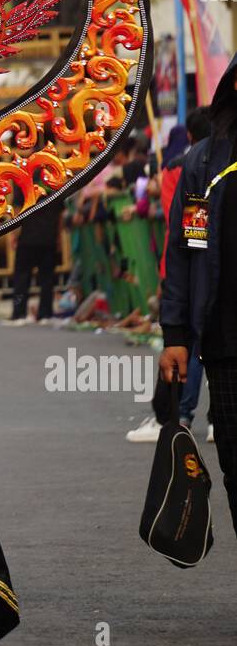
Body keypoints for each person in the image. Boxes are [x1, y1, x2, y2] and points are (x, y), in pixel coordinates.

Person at [160, 56, 237, 539]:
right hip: (226, 345)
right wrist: (175, 334)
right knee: (233, 461)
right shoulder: (202, 163)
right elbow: (186, 251)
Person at [127, 107, 212, 444]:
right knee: (192, 343)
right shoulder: (195, 167)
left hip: (199, 271)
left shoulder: (185, 165)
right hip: (197, 268)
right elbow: (192, 234)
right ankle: (183, 416)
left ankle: (190, 415)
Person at [3, 199, 63, 325]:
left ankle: (19, 314)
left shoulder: (24, 180)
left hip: (27, 237)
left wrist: (14, 234)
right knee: (47, 278)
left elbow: (18, 209)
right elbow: (60, 213)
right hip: (49, 237)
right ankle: (45, 314)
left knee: (22, 277)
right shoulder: (56, 182)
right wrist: (58, 237)